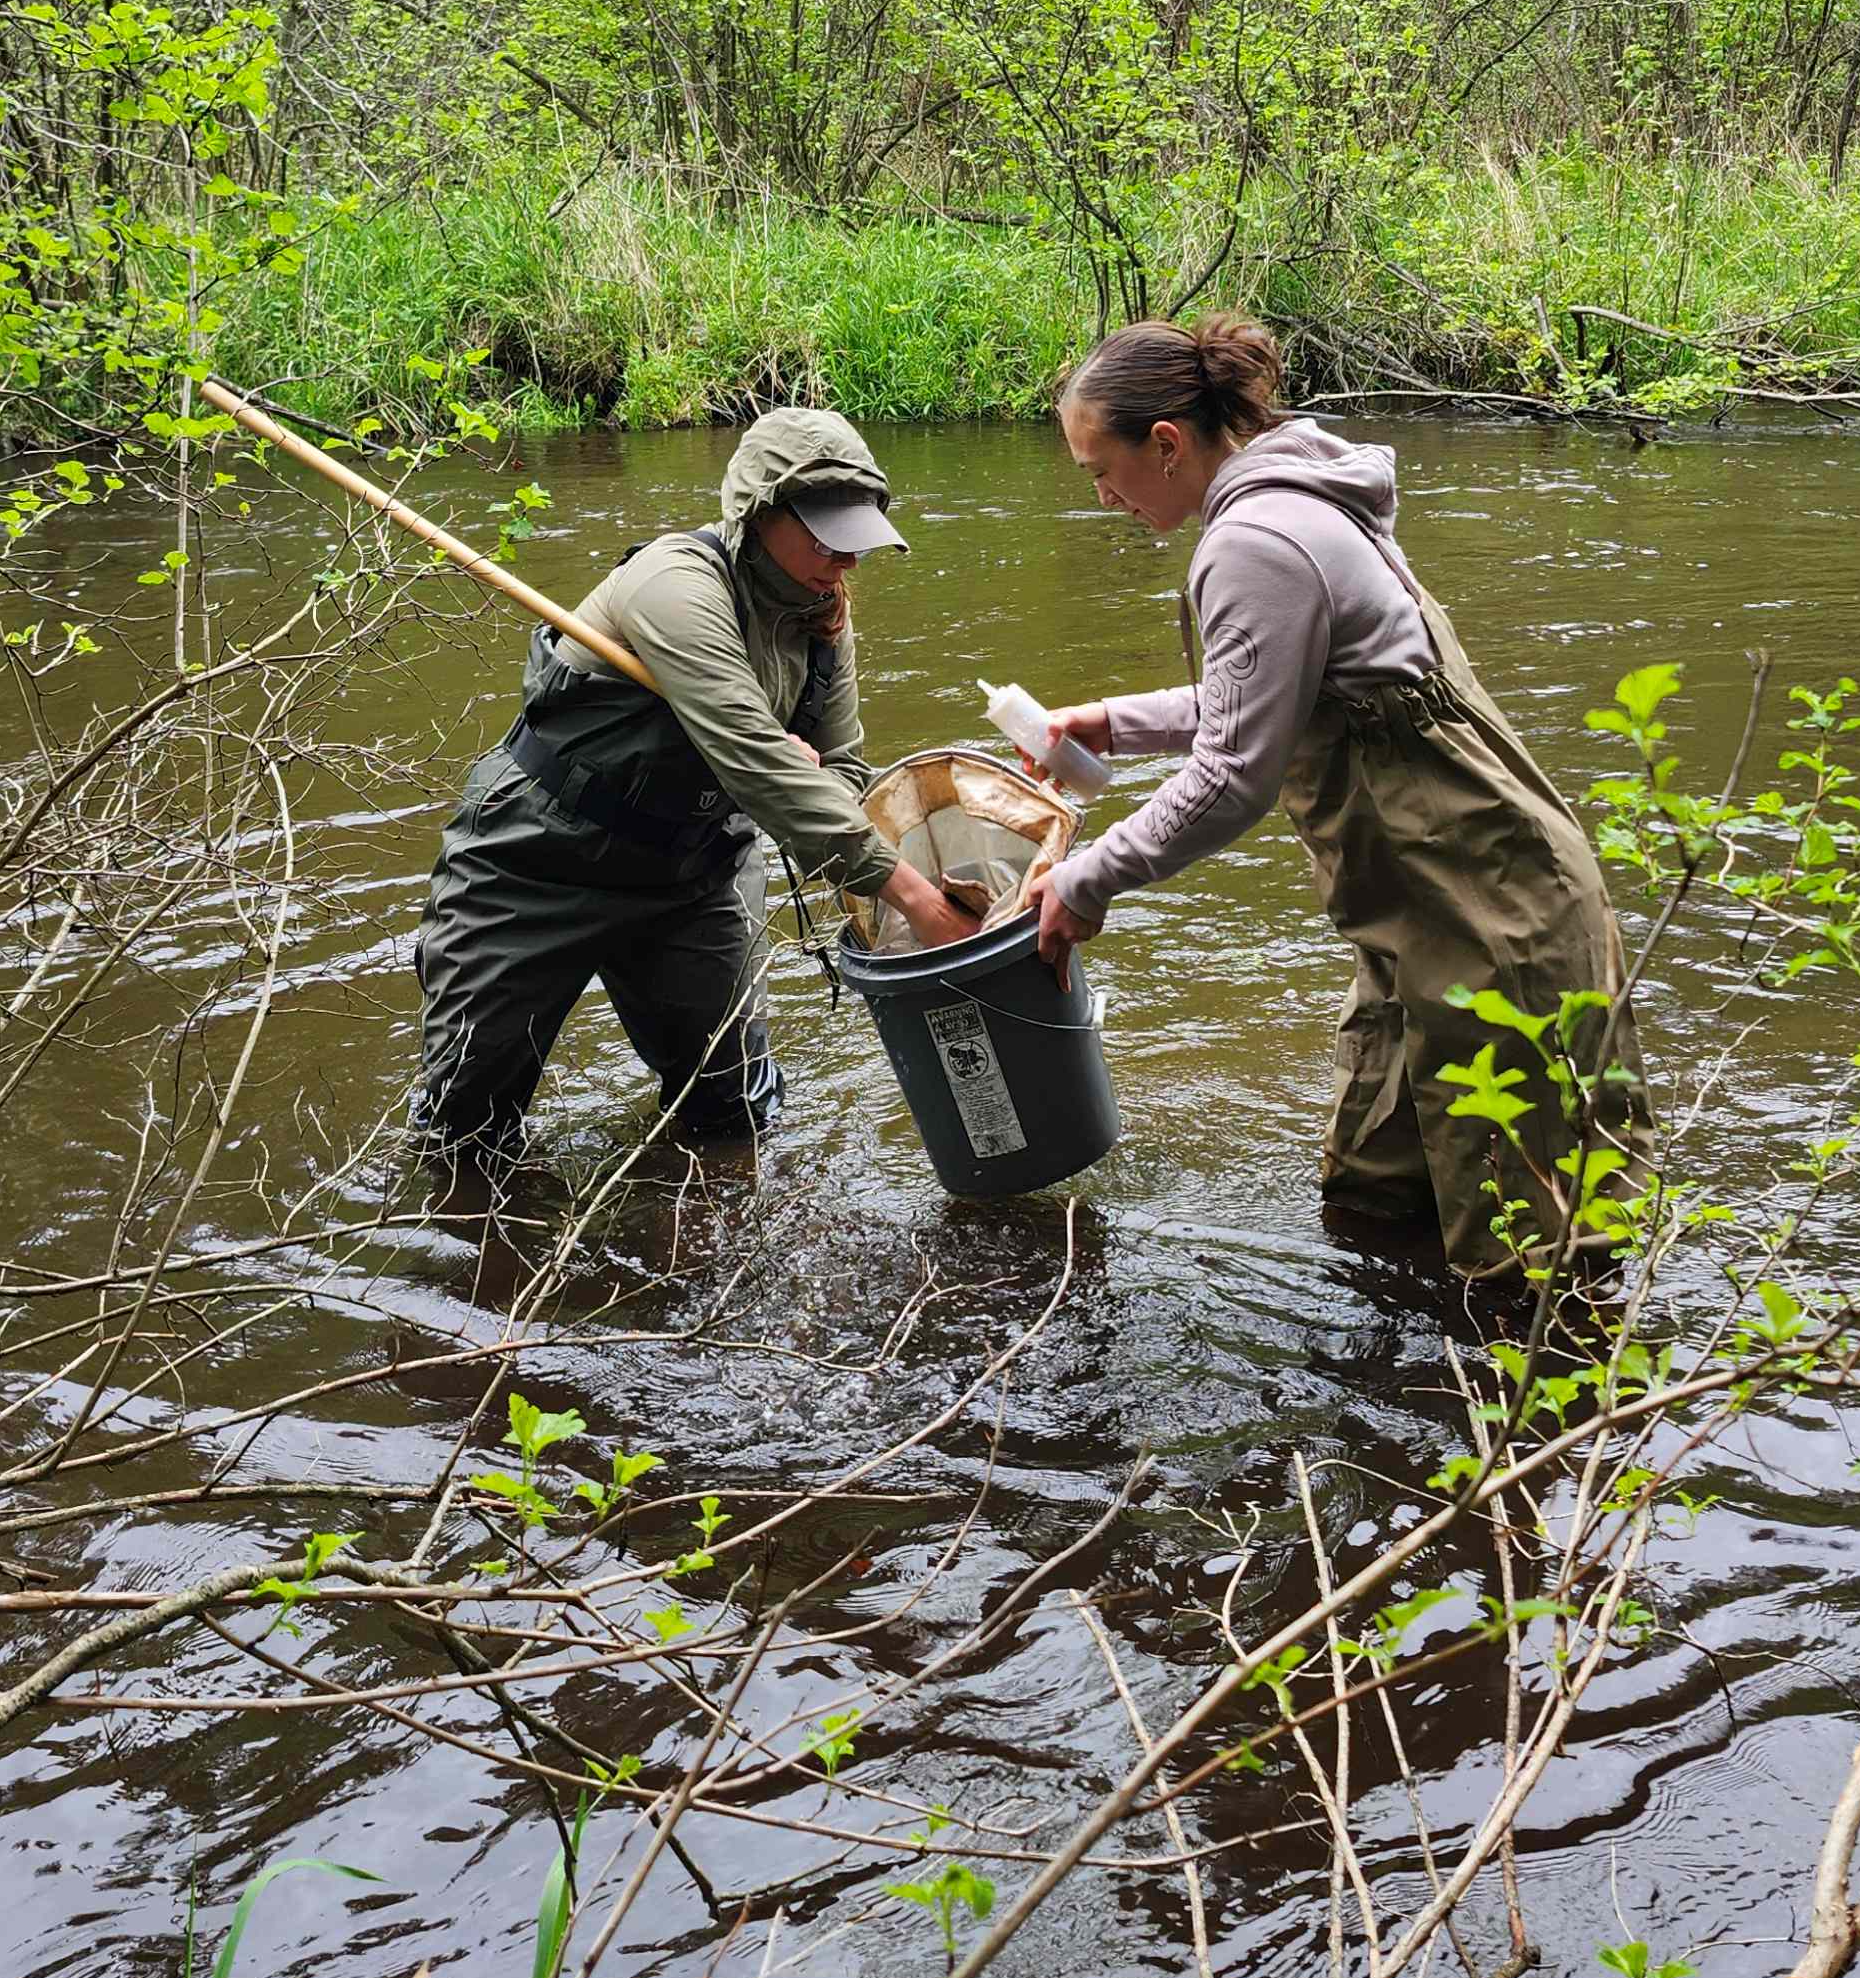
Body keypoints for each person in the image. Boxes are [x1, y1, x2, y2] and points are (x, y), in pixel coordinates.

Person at [1027, 316, 1642, 1282]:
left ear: (1168, 443)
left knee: (1534, 1262)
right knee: (1372, 1205)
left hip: (1492, 922)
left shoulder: (1254, 542)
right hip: (1425, 922)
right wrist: (1117, 721)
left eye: (1101, 471)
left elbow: (1233, 774)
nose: (1103, 497)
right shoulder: (1299, 499)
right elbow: (1284, 694)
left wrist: (1084, 880)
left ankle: (1538, 1388)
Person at [413, 408, 976, 1156]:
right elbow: (754, 760)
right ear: (758, 515)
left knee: (733, 1110)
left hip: (693, 874)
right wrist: (915, 900)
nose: (846, 561)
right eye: (825, 538)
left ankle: (708, 1222)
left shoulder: (823, 619)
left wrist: (830, 798)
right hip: (537, 861)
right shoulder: (673, 583)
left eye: (857, 540)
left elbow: (842, 768)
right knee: (467, 1125)